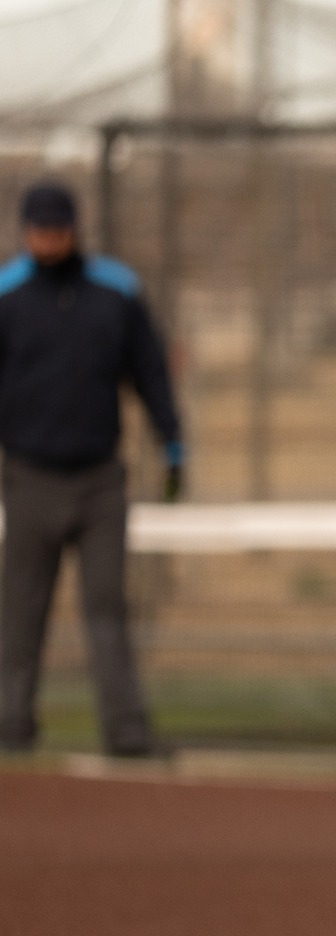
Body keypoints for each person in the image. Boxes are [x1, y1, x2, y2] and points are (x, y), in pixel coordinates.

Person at [0, 181, 183, 759]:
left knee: (107, 610)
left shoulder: (116, 290)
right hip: (29, 476)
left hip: (100, 480)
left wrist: (172, 444)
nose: (49, 239)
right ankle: (10, 726)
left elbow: (150, 372)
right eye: (39, 229)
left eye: (58, 228)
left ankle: (126, 732)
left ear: (75, 228)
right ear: (25, 231)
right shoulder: (8, 293)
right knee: (21, 611)